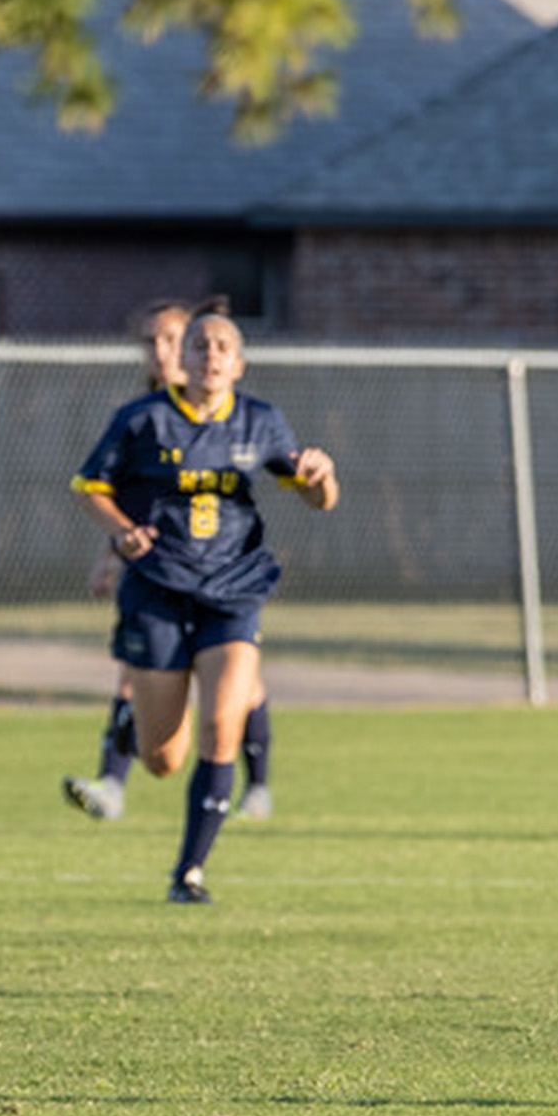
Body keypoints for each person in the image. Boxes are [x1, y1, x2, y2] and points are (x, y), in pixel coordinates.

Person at [69, 312, 337, 904]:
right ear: (182, 359)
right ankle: (141, 726)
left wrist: (321, 477)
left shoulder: (259, 421)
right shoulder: (142, 419)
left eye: (222, 347)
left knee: (223, 725)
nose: (211, 355)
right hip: (159, 589)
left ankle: (188, 873)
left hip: (233, 589)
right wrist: (121, 533)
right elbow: (90, 486)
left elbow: (317, 496)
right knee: (162, 757)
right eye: (200, 345)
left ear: (238, 364)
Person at [64, 298, 277, 823]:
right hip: (160, 577)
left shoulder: (229, 410)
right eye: (149, 342)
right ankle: (115, 782)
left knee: (241, 685)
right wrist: (113, 552)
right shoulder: (146, 415)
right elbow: (132, 501)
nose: (158, 353)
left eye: (168, 340)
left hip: (226, 578)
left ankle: (257, 787)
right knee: (140, 681)